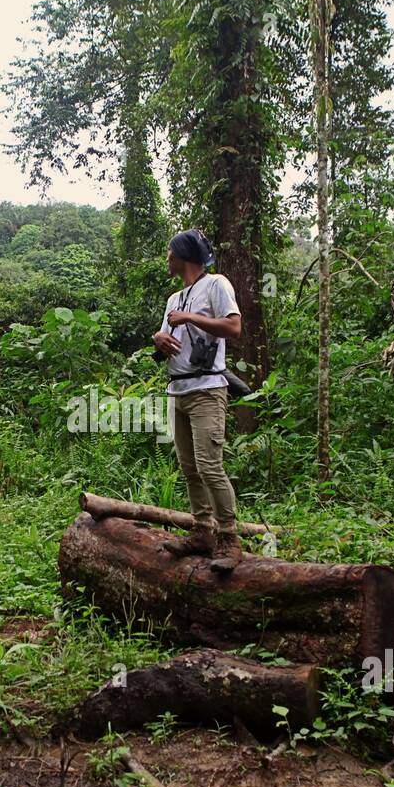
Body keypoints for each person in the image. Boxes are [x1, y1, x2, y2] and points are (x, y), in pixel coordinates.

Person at [151, 228, 242, 570]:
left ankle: (229, 538)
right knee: (189, 468)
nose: (167, 258)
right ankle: (202, 530)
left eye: (170, 252)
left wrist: (191, 317)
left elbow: (233, 328)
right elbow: (167, 345)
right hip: (179, 390)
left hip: (207, 390)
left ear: (183, 256)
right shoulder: (173, 299)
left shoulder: (216, 284)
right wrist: (159, 340)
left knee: (210, 466)